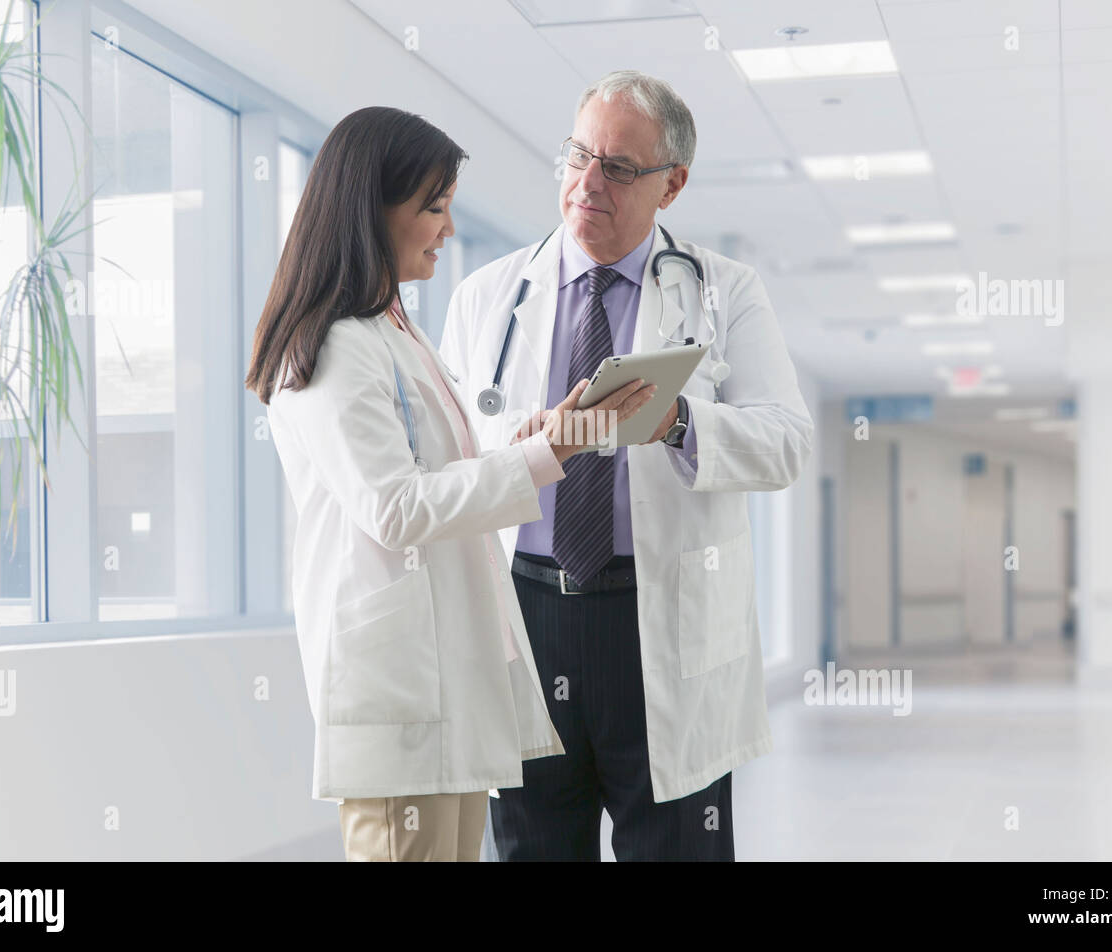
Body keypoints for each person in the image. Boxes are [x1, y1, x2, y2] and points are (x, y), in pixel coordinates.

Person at [244, 106, 656, 861]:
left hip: (447, 682)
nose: (449, 229)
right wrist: (549, 454)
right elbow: (394, 507)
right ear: (372, 209)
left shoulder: (392, 331)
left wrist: (534, 441)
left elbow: (432, 479)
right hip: (401, 689)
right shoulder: (336, 346)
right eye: (434, 207)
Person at [440, 71, 815, 861]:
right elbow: (450, 462)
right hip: (526, 614)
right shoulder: (487, 295)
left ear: (671, 185)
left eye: (619, 167)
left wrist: (677, 420)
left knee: (676, 845)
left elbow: (785, 441)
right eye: (578, 155)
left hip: (659, 615)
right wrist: (525, 436)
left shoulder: (725, 293)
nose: (588, 183)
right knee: (532, 845)